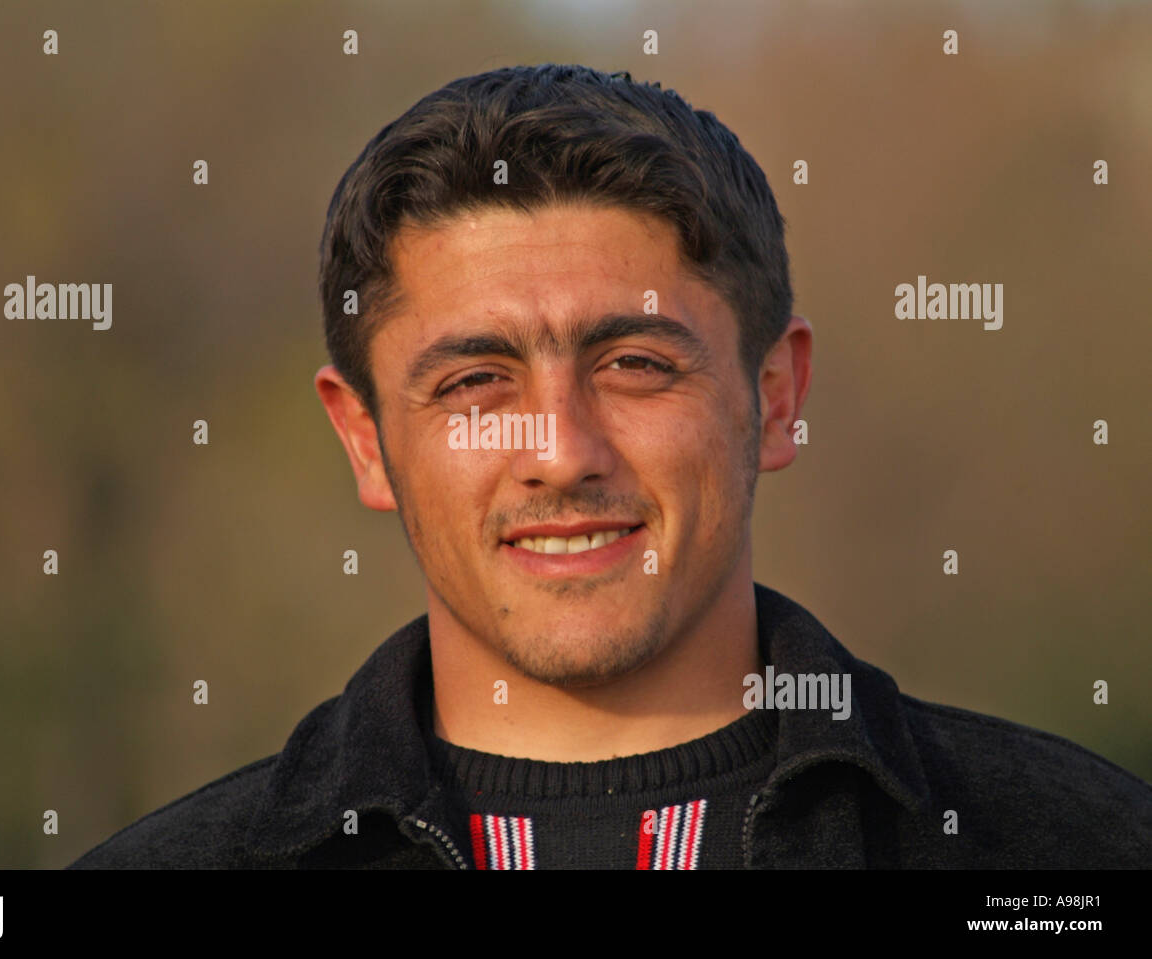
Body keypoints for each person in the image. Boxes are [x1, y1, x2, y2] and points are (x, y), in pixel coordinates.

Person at [71, 64, 1152, 869]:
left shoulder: (1068, 849)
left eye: (634, 364)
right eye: (473, 383)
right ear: (364, 439)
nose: (559, 451)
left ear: (774, 397)